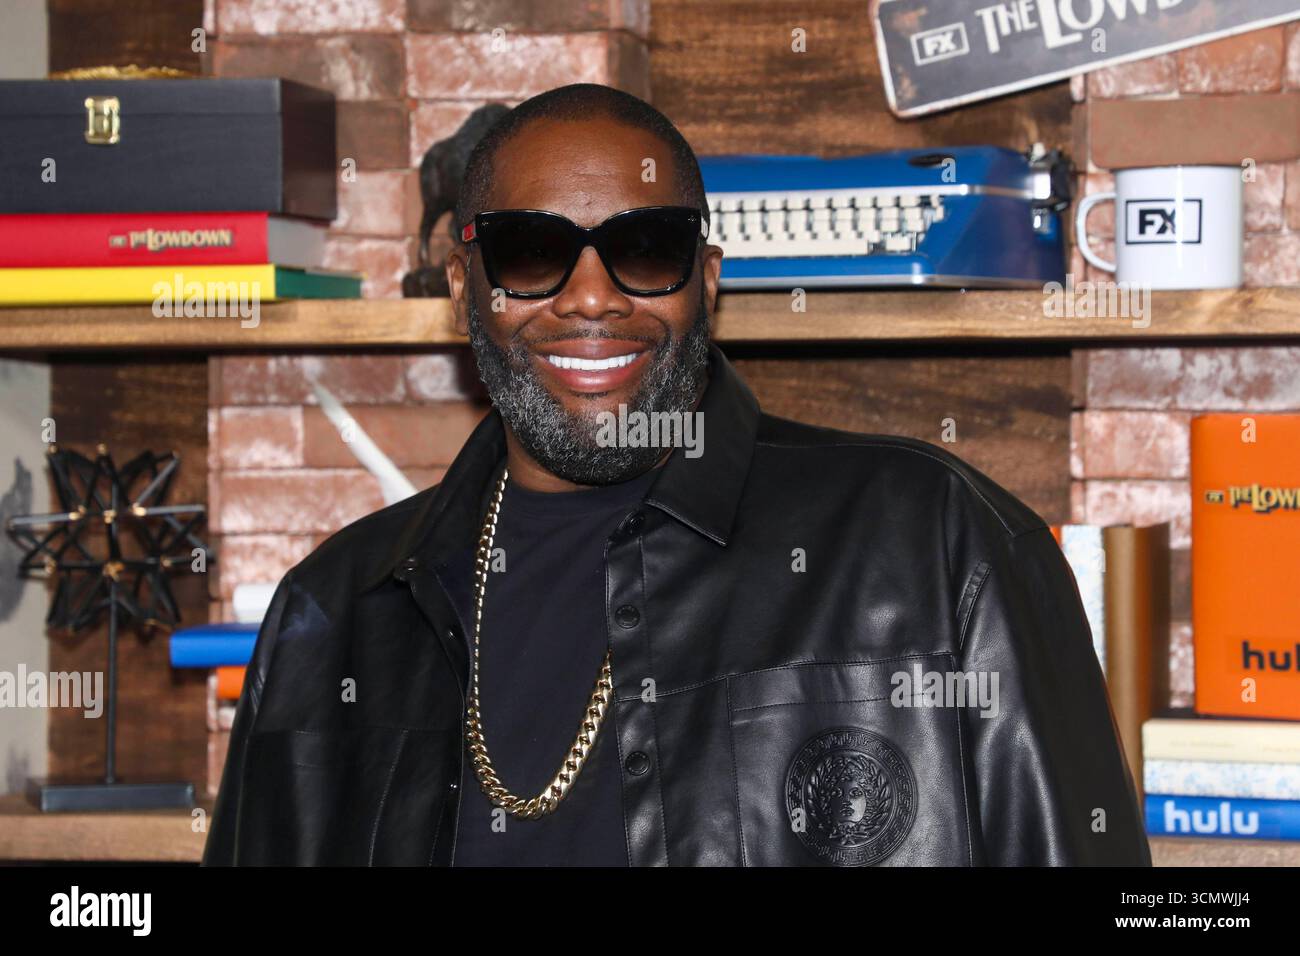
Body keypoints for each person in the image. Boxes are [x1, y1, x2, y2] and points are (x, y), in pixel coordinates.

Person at [203, 83, 1151, 867]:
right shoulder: (336, 615)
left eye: (643, 249)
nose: (589, 296)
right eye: (533, 251)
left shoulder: (935, 541)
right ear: (467, 289)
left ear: (707, 279)